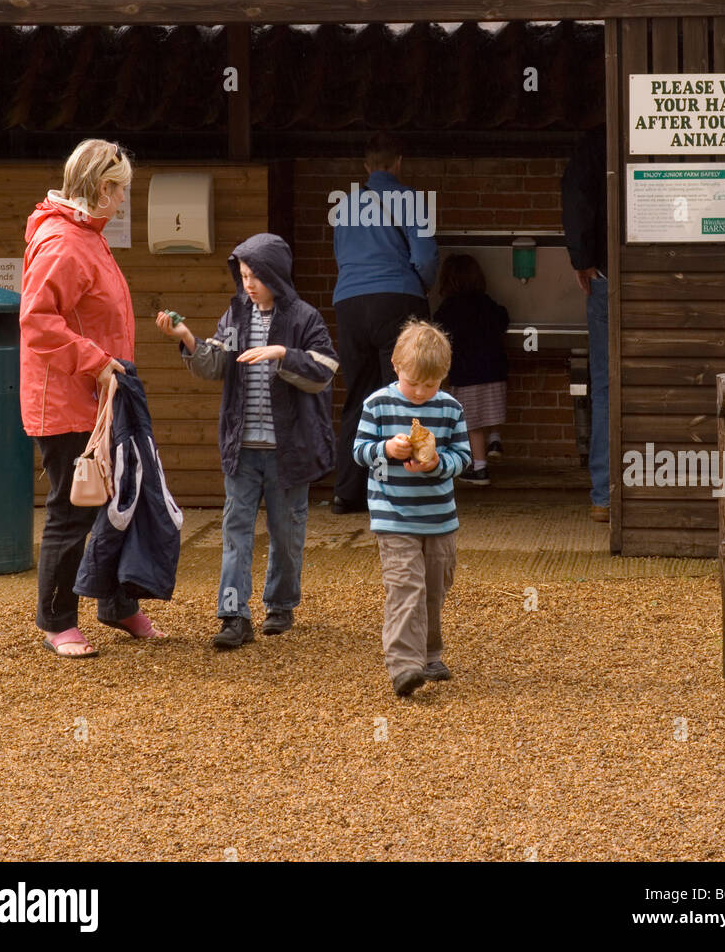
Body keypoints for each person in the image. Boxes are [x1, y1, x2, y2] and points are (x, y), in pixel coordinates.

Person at [156, 233, 337, 649]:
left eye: (256, 275)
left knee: (286, 533)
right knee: (236, 532)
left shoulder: (304, 318)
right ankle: (234, 616)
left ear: (276, 274)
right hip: (242, 449)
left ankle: (280, 605)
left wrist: (280, 354)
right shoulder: (235, 315)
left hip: (289, 452)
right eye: (243, 275)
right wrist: (186, 337)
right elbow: (216, 361)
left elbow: (325, 370)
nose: (249, 284)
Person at [20, 139, 164, 658]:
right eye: (121, 189)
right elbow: (37, 323)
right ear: (103, 188)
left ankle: (117, 602)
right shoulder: (64, 242)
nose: (124, 200)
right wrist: (98, 362)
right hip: (70, 401)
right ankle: (57, 620)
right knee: (72, 509)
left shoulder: (82, 235)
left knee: (119, 499)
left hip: (101, 396)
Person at [353, 319, 470, 697]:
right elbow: (359, 452)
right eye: (413, 382)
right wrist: (386, 450)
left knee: (434, 589)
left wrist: (438, 463)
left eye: (430, 384)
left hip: (439, 519)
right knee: (406, 587)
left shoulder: (450, 408)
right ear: (396, 366)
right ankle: (404, 665)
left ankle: (430, 653)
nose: (421, 392)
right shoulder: (378, 404)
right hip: (393, 516)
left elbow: (463, 456)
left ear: (443, 376)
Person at [331, 133, 439, 514]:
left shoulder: (343, 207)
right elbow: (425, 259)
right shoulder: (412, 201)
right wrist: (416, 285)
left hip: (350, 304)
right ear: (398, 163)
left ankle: (347, 492)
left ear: (366, 166)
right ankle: (396, 489)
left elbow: (342, 257)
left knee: (358, 396)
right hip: (397, 300)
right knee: (401, 393)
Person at [561, 122, 609, 523]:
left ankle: (605, 496)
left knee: (606, 385)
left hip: (607, 277)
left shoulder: (596, 138)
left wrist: (584, 260)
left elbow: (577, 198)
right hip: (669, 272)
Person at [433, 253, 509, 486]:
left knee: (472, 424)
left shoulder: (448, 309)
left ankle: (480, 469)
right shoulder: (486, 302)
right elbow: (503, 318)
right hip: (495, 371)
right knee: (490, 411)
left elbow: (437, 334)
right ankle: (495, 439)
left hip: (466, 375)